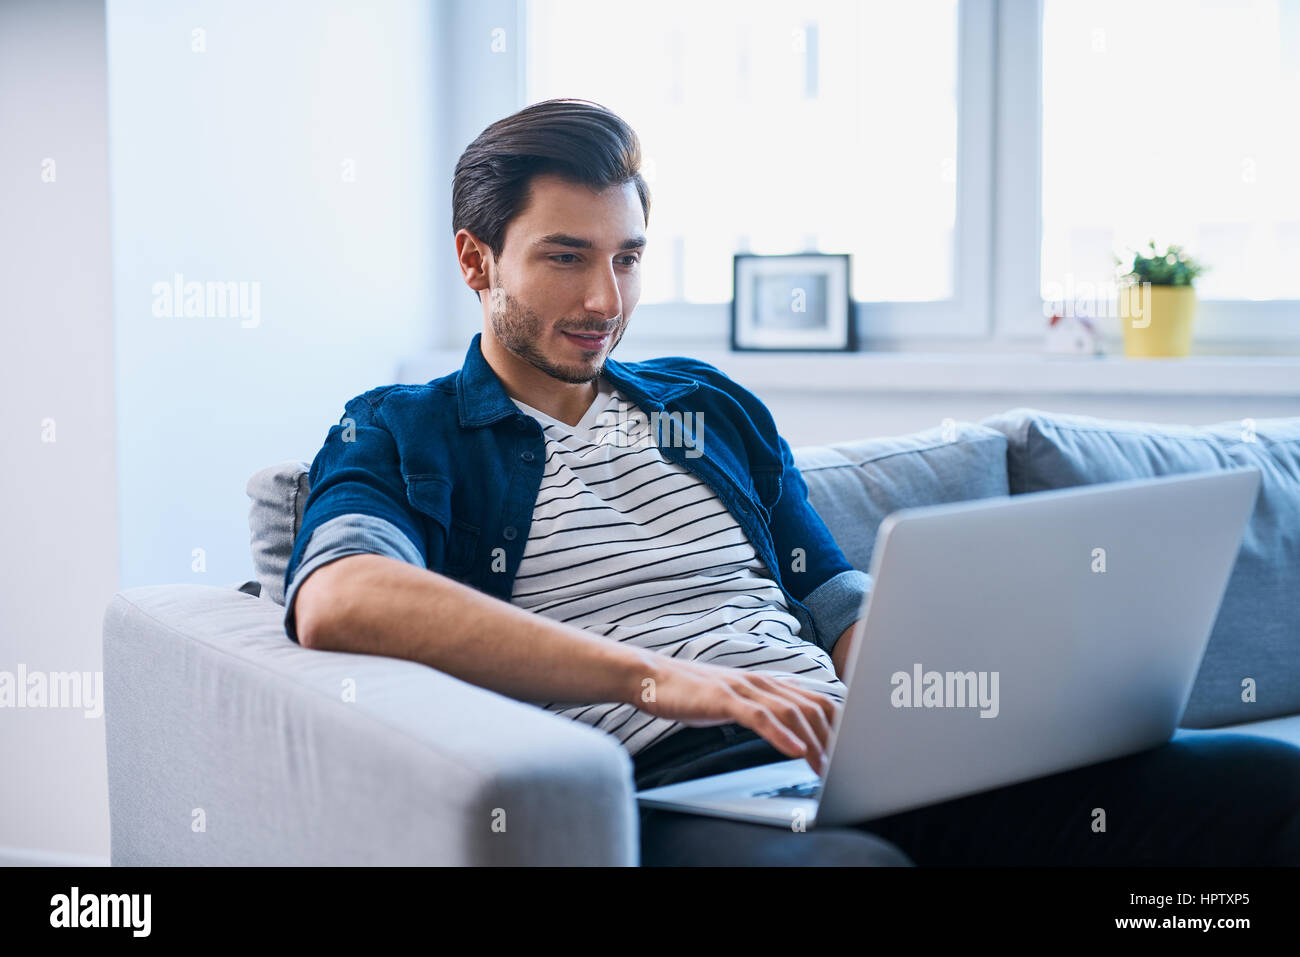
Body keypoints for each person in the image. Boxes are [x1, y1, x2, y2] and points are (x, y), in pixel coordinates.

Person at [284, 98, 1300, 866]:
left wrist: (950, 706)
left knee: (1264, 783)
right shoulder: (403, 428)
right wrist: (659, 678)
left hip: (843, 760)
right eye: (564, 258)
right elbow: (339, 597)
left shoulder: (707, 406)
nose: (604, 300)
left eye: (628, 259)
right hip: (669, 785)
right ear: (477, 261)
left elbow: (831, 592)